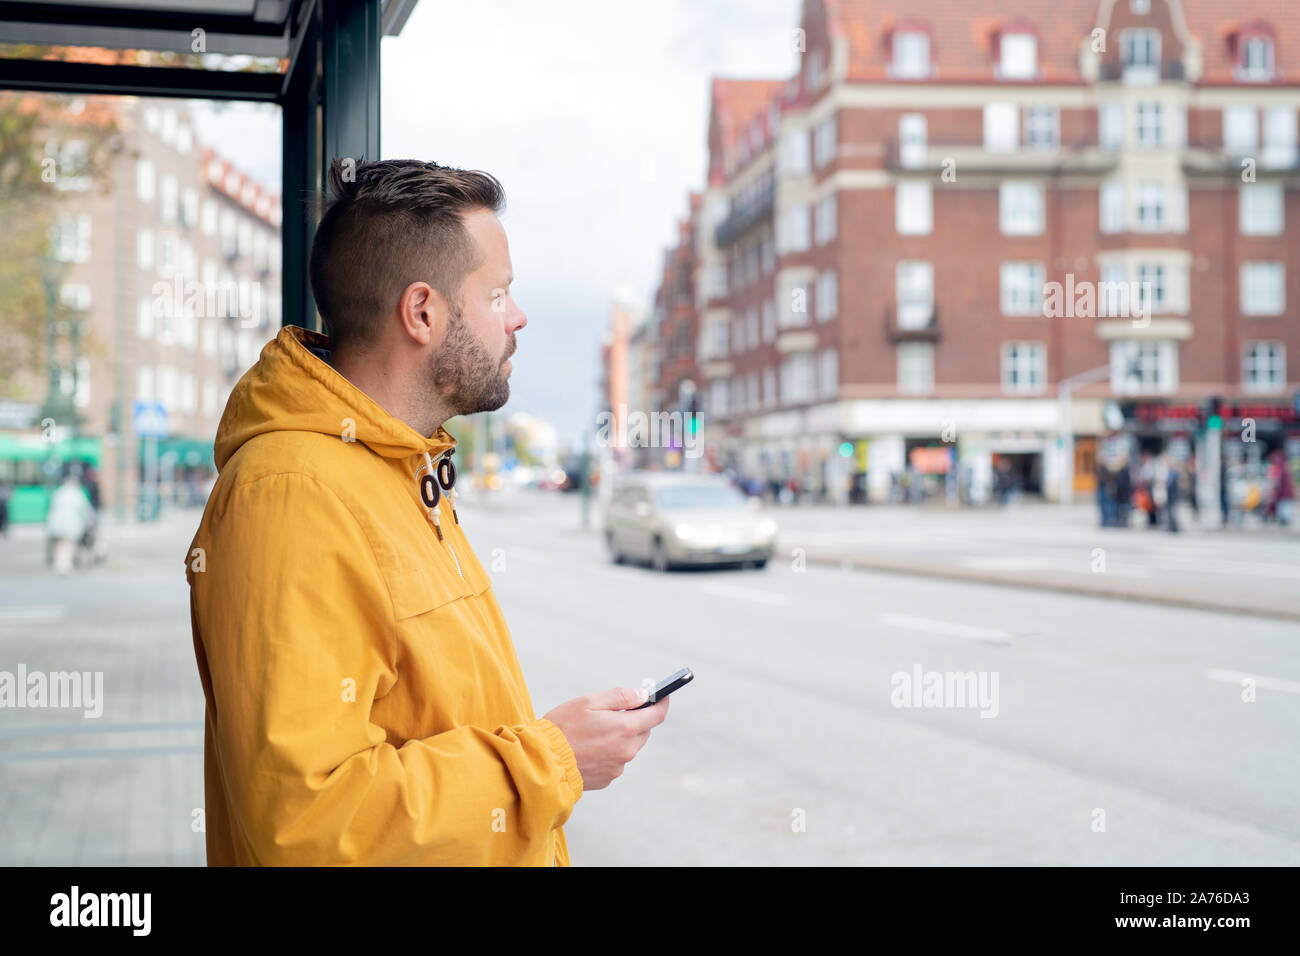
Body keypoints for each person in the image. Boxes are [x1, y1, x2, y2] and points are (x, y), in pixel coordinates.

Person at [185, 159, 669, 867]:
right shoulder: (291, 493)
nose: (519, 317)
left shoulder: (399, 471)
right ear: (422, 313)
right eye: (497, 294)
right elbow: (309, 820)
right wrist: (552, 760)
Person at [46, 470, 93, 574]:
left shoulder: (58, 493)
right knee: (68, 545)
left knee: (58, 545)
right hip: (71, 525)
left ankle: (58, 563)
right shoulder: (77, 495)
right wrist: (89, 520)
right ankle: (65, 565)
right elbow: (84, 510)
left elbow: (51, 507)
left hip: (56, 524)